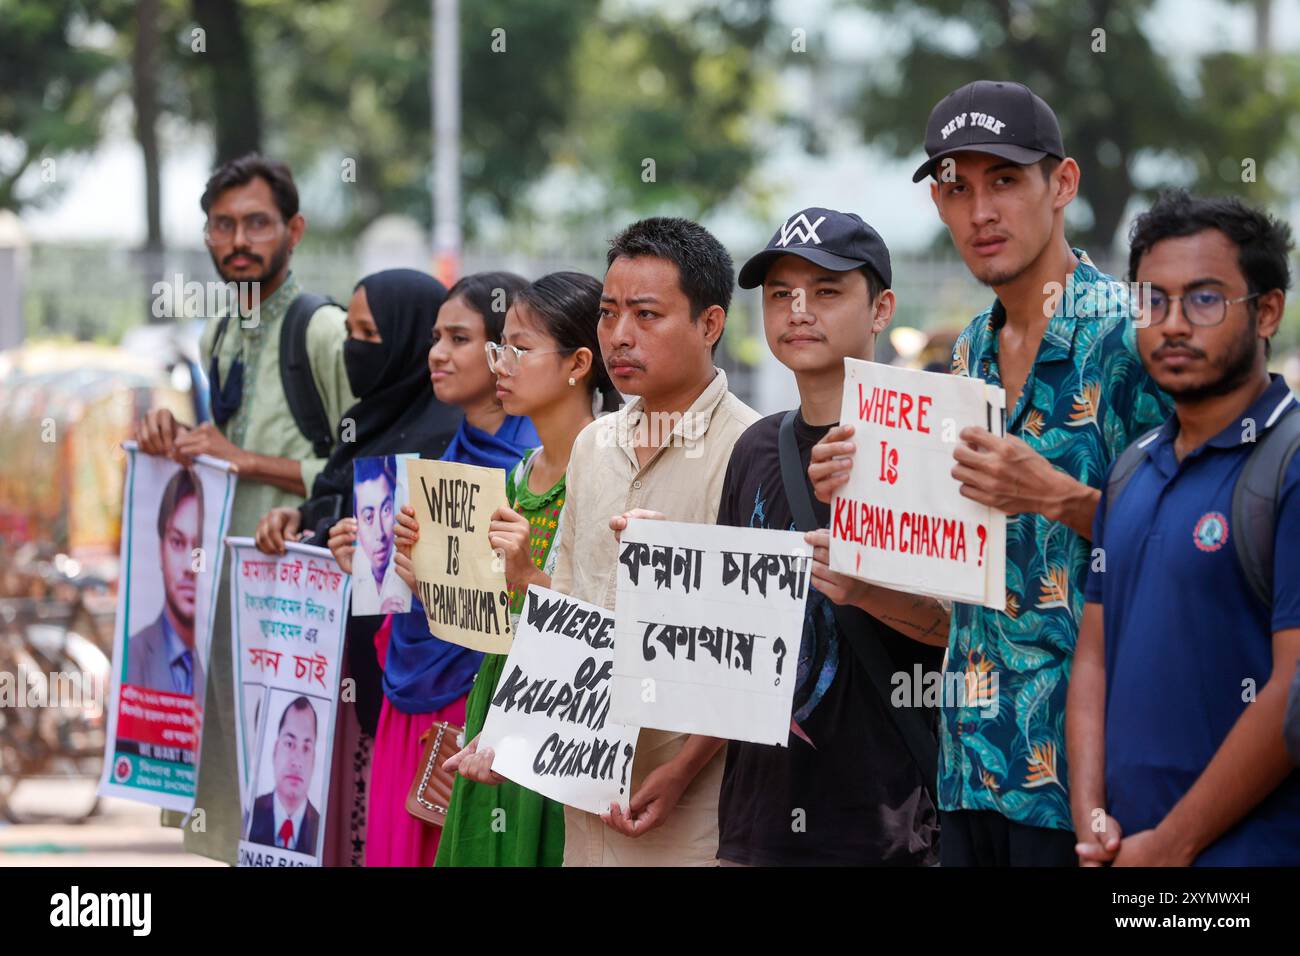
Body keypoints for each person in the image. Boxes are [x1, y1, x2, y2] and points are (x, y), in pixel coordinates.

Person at [811, 80, 1172, 866]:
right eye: (957, 188)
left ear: (1063, 183)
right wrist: (862, 489)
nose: (980, 212)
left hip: (1090, 782)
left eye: (1004, 180)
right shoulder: (969, 349)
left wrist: (1059, 497)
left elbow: (1190, 545)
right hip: (969, 765)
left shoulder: (1133, 339)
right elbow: (961, 573)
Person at [134, 154, 355, 863]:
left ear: (294, 230)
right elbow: (221, 453)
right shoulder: (220, 333)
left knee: (302, 789)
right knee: (240, 792)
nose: (238, 241)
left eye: (257, 223)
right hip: (231, 593)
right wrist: (174, 441)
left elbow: (364, 469)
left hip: (305, 599)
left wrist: (246, 461)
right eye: (223, 225)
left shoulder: (321, 332)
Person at [1068, 191, 1300, 866]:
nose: (1171, 324)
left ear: (1267, 311)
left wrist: (1173, 844)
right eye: (1152, 301)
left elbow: (1294, 690)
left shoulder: (1287, 464)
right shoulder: (1130, 471)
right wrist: (1092, 820)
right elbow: (1093, 659)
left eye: (1203, 300)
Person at [715, 208, 944, 866]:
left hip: (888, 828)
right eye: (780, 294)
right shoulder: (755, 447)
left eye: (826, 291)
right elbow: (727, 634)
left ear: (881, 310)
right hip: (759, 823)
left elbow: (965, 632)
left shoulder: (926, 441)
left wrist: (867, 591)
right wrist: (659, 565)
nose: (798, 311)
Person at [546, 217, 760, 866]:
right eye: (609, 313)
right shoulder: (593, 444)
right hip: (582, 786)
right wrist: (512, 737)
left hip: (690, 806)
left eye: (646, 315)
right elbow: (566, 601)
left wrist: (683, 769)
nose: (619, 335)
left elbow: (758, 646)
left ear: (710, 323)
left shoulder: (751, 449)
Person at [392, 271, 621, 867]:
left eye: (520, 349)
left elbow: (608, 630)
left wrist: (527, 577)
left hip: (560, 722)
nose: (502, 365)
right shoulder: (520, 473)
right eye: (500, 348)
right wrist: (429, 581)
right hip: (498, 708)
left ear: (578, 364)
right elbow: (492, 618)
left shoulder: (609, 473)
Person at [253, 268, 458, 866]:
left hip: (411, 685)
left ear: (407, 338)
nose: (353, 348)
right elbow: (338, 497)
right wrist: (302, 520)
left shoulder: (450, 439)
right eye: (350, 331)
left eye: (370, 334)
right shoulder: (368, 419)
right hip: (338, 674)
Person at [346, 271, 536, 867]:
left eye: (458, 338)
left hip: (480, 703)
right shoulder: (443, 457)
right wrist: (373, 561)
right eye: (435, 338)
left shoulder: (536, 465)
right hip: (409, 688)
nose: (437, 353)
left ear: (503, 352)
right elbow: (416, 590)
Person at [128, 467, 205, 697]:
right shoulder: (133, 654)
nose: (190, 566)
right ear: (160, 550)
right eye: (177, 543)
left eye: (199, 546)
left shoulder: (224, 659)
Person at [248, 696, 321, 854]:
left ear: (314, 760)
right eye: (289, 744)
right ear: (275, 750)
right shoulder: (249, 814)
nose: (297, 761)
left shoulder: (323, 829)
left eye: (306, 748)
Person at [350, 456, 406, 615]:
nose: (379, 533)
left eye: (386, 510)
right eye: (368, 517)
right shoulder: (351, 565)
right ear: (356, 521)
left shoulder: (411, 567)